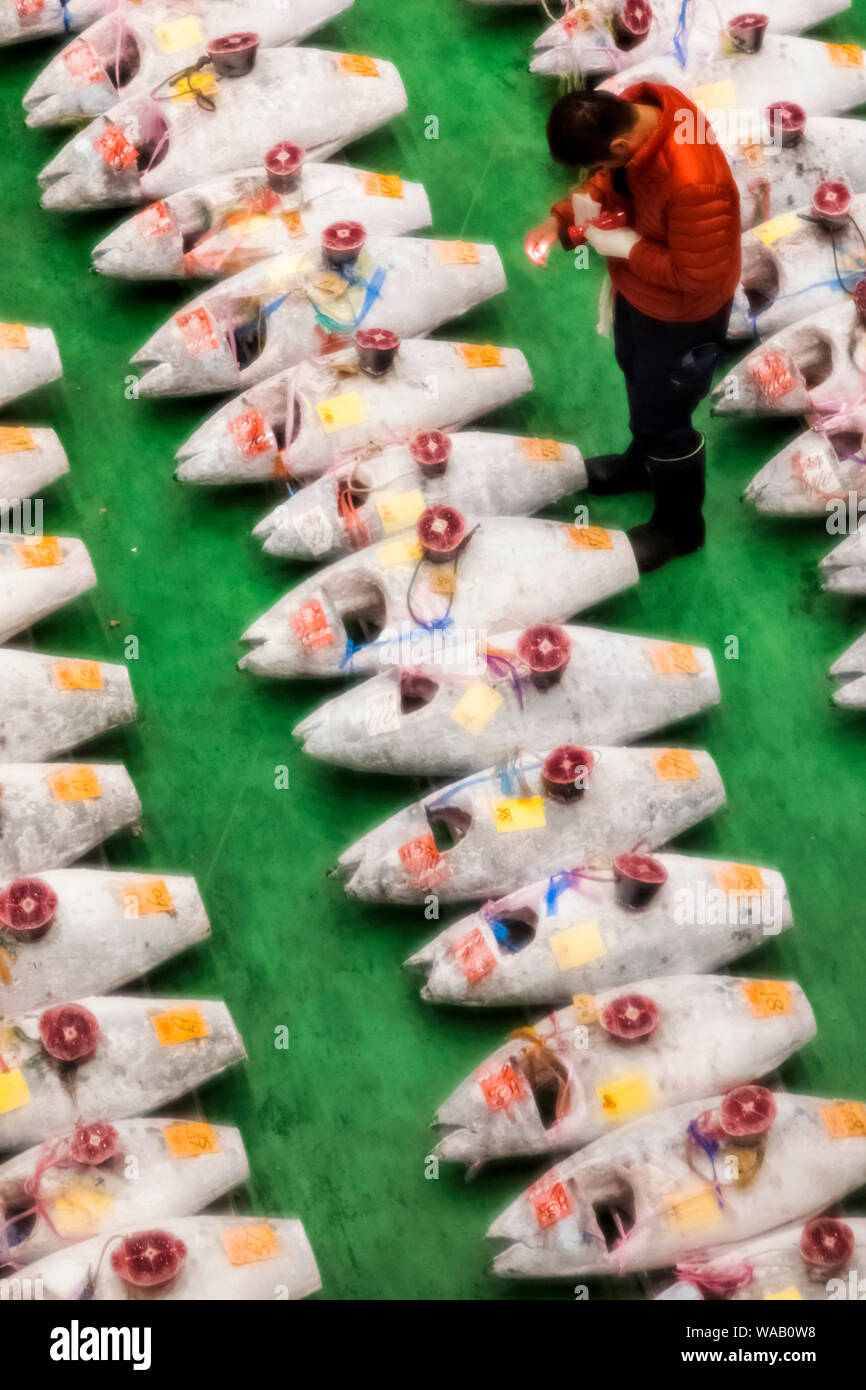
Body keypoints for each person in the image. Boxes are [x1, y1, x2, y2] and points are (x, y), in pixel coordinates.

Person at [525, 85, 741, 572]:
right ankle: (641, 465)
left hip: (683, 317)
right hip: (640, 296)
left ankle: (680, 528)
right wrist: (561, 222)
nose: (600, 173)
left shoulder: (694, 181)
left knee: (665, 421)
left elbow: (695, 275)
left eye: (604, 161)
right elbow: (608, 184)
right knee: (639, 378)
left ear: (621, 147)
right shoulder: (638, 113)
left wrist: (623, 246)